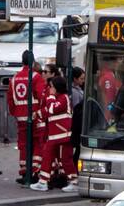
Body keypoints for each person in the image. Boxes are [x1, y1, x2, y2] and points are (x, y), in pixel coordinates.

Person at [32, 75, 77, 192]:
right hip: (56, 136)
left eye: (51, 87)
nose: (50, 89)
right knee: (48, 157)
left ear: (57, 87)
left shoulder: (63, 98)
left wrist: (50, 96)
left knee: (65, 159)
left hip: (63, 135)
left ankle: (73, 182)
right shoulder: (58, 98)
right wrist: (37, 114)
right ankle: (43, 181)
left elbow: (52, 109)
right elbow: (47, 110)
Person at [8, 50, 48, 180]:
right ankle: (35, 169)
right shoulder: (36, 77)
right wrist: (41, 112)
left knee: (23, 144)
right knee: (37, 142)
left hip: (20, 117)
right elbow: (41, 96)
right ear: (33, 61)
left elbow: (10, 100)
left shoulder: (14, 79)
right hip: (34, 115)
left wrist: (16, 113)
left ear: (22, 61)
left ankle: (24, 171)